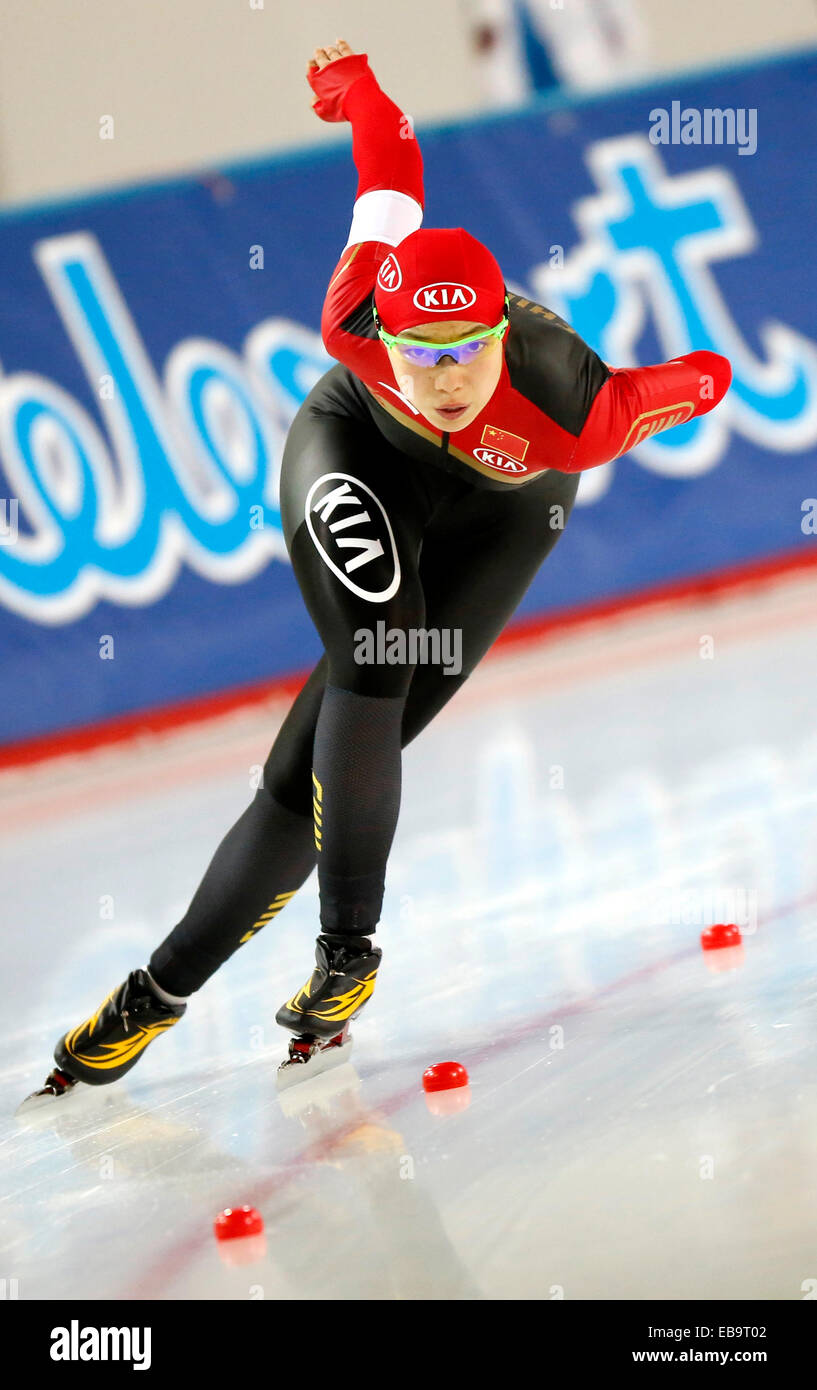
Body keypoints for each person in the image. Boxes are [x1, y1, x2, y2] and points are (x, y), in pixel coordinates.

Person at [23, 39, 731, 1103]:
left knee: (314, 771)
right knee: (376, 645)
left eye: (467, 352)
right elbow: (389, 165)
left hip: (510, 506)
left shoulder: (578, 412)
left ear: (502, 331)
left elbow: (699, 377)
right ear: (379, 333)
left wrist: (702, 377)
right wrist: (352, 82)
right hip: (355, 451)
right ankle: (338, 956)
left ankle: (154, 996)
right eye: (420, 353)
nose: (445, 379)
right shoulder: (353, 311)